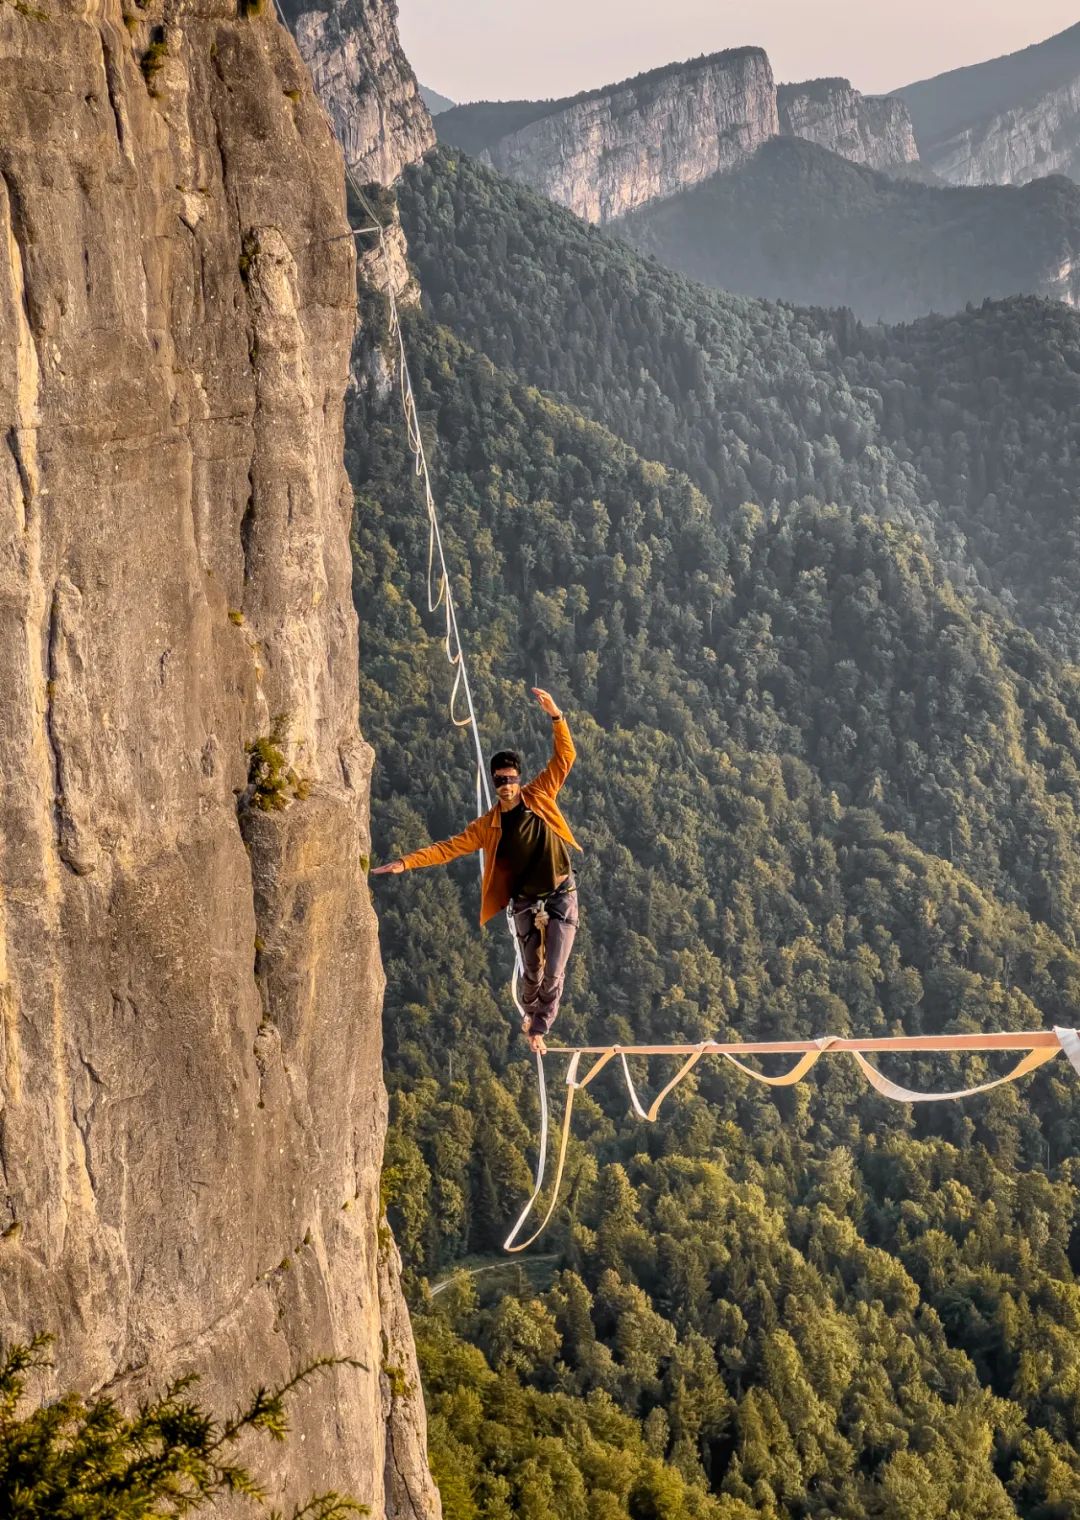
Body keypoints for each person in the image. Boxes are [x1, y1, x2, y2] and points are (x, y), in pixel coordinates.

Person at [371, 688, 581, 1054]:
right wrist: (406, 862)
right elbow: (447, 848)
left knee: (555, 968)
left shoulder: (540, 795)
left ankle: (539, 1028)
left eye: (510, 778)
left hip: (561, 893)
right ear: (494, 782)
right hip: (527, 903)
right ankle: (532, 1015)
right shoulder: (488, 825)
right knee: (532, 973)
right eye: (499, 780)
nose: (505, 786)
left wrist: (556, 716)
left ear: (519, 778)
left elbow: (565, 757)